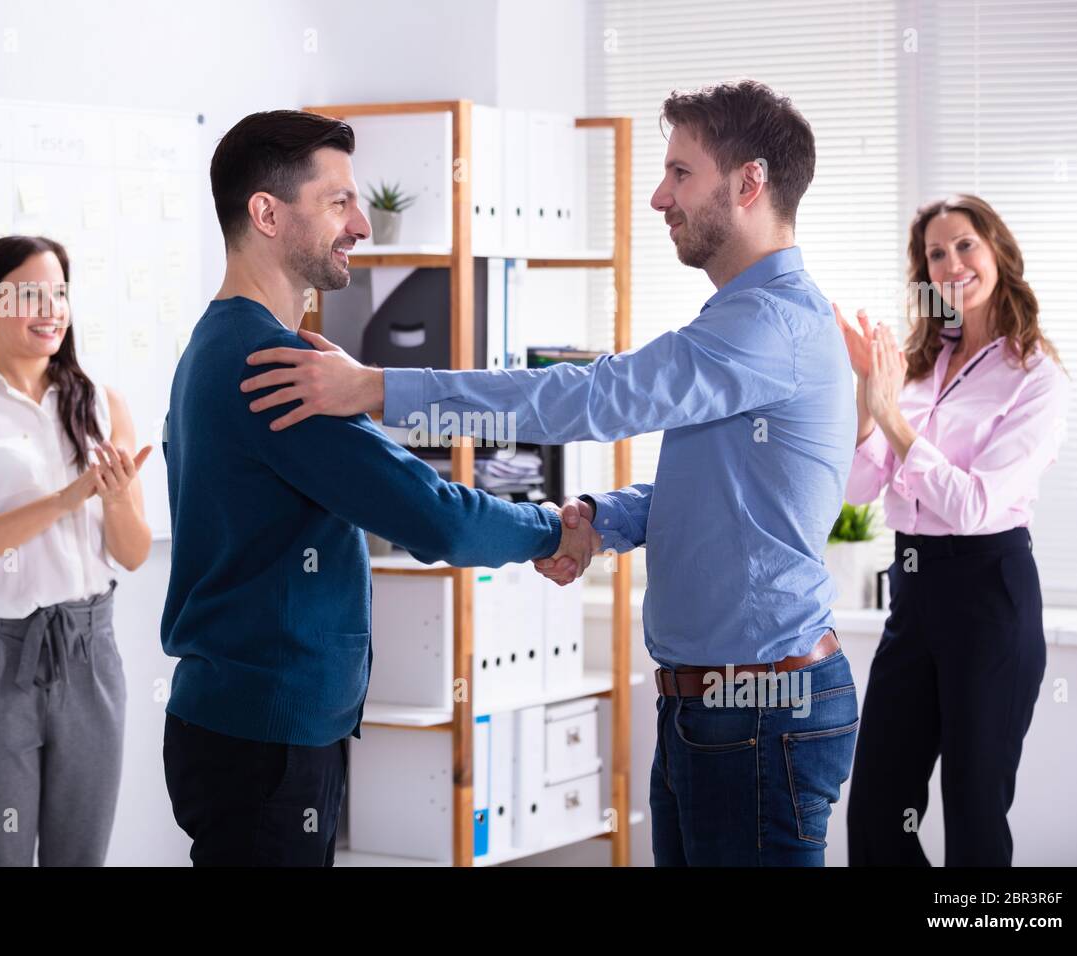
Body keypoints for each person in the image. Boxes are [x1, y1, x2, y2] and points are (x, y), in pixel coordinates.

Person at [239, 80, 860, 866]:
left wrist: (383, 388)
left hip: (759, 708)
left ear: (748, 183)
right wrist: (601, 519)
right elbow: (723, 499)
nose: (658, 198)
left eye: (680, 173)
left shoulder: (768, 322)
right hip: (711, 706)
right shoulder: (748, 319)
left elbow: (596, 397)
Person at [160, 110, 598, 867]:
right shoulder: (269, 368)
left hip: (241, 727)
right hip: (268, 739)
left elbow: (363, 483)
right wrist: (555, 531)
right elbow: (433, 519)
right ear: (266, 213)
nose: (361, 222)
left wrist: (364, 398)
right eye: (338, 202)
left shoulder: (228, 342)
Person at [837, 194, 1070, 866]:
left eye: (964, 245)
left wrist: (895, 420)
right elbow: (858, 488)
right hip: (913, 596)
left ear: (997, 250)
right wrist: (867, 394)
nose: (952, 264)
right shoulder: (916, 366)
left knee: (973, 814)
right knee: (879, 811)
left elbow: (972, 506)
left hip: (988, 594)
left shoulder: (1035, 378)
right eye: (935, 254)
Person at [0, 235, 153, 866]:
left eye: (59, 293)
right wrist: (63, 500)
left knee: (80, 856)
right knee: (1, 855)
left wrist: (121, 497)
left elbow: (131, 555)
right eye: (28, 293)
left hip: (89, 650)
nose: (50, 308)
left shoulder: (102, 403)